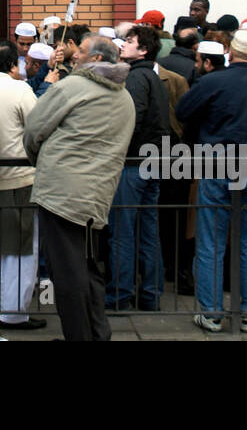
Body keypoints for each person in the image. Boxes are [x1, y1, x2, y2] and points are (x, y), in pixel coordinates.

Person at [174, 30, 247, 333]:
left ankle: (212, 313)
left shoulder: (212, 82)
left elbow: (183, 111)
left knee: (211, 245)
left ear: (230, 53)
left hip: (216, 167)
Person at [24, 44, 134, 341]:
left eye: (82, 50)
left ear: (97, 59)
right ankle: (97, 332)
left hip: (62, 192)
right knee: (88, 268)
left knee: (67, 273)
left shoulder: (74, 86)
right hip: (96, 193)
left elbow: (34, 129)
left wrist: (43, 162)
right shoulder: (124, 96)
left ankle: (80, 335)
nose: (75, 54)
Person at [0, 41, 43, 329]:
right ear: (14, 65)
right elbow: (39, 128)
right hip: (17, 177)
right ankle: (13, 312)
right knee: (19, 248)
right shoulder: (20, 91)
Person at [110, 25, 170, 311]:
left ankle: (120, 294)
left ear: (143, 50)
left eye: (130, 42)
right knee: (148, 230)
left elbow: (129, 119)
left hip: (133, 164)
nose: (123, 45)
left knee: (122, 231)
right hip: (152, 161)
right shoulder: (153, 77)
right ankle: (150, 294)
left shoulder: (136, 78)